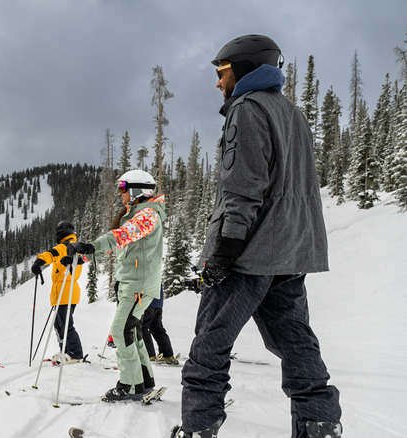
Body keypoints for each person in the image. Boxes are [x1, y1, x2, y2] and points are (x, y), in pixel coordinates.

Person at [172, 35, 342, 438]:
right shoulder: (291, 112)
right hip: (290, 253)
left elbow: (243, 186)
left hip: (249, 253)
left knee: (208, 351)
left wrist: (223, 253)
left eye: (222, 72)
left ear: (244, 68)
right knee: (297, 347)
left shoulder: (247, 109)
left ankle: (199, 429)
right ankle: (319, 426)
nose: (217, 82)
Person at [71, 169, 166, 401]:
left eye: (123, 189)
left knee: (121, 331)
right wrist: (82, 256)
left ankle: (129, 386)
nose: (120, 194)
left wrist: (90, 246)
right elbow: (122, 244)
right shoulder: (138, 213)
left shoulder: (147, 215)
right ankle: (143, 382)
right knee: (132, 331)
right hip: (134, 282)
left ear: (136, 190)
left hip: (138, 284)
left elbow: (123, 235)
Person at [31, 220, 86, 364]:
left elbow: (52, 254)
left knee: (66, 325)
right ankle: (65, 352)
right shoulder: (74, 246)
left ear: (61, 234)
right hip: (64, 291)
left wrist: (39, 262)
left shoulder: (66, 246)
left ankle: (76, 354)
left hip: (65, 291)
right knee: (59, 325)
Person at [141, 284, 178, 365]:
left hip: (148, 300)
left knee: (142, 327)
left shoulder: (145, 270)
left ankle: (149, 355)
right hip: (158, 302)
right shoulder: (155, 271)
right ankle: (167, 354)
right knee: (157, 328)